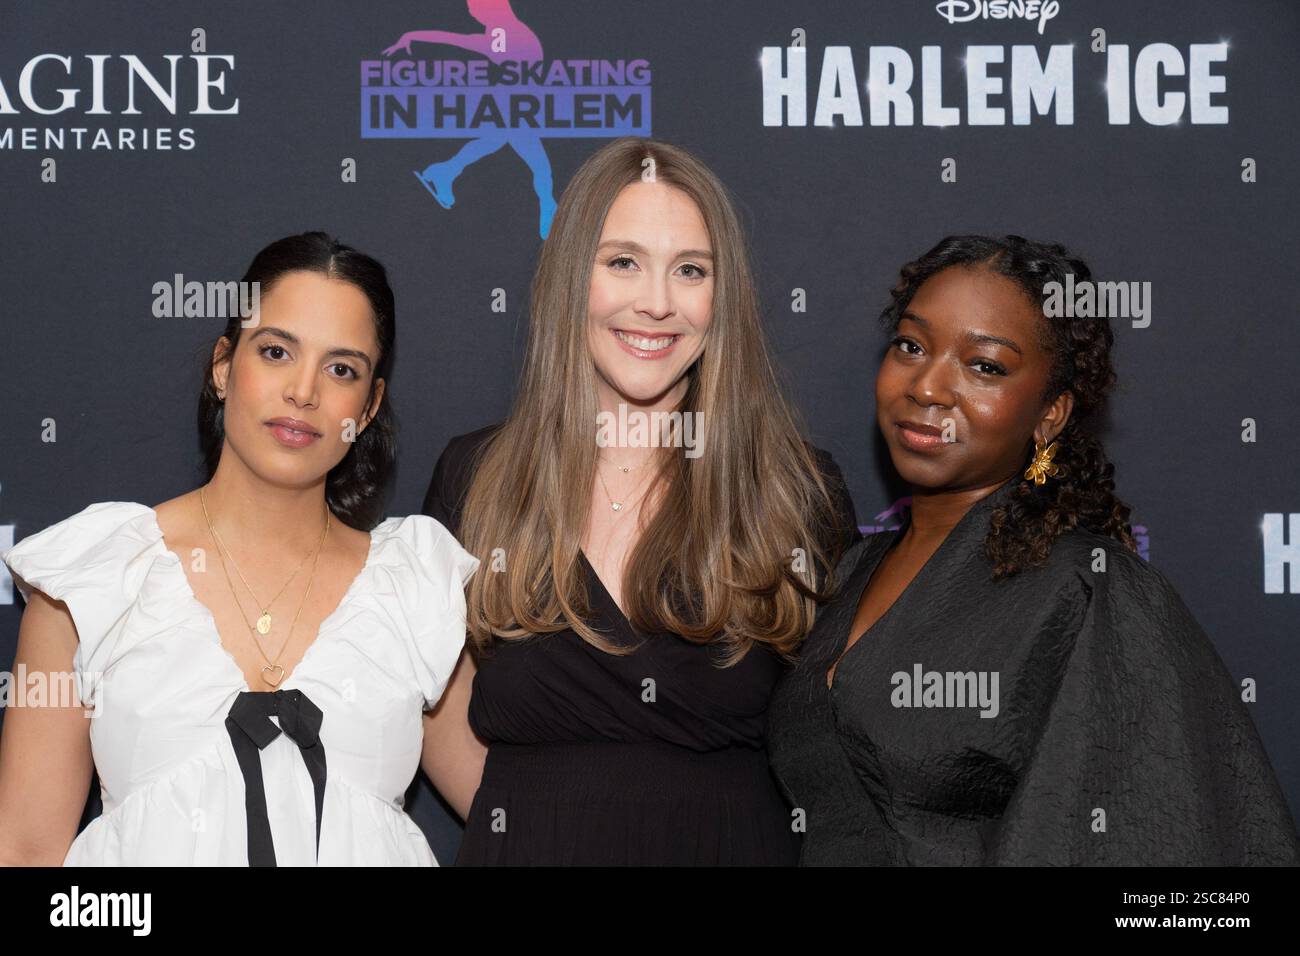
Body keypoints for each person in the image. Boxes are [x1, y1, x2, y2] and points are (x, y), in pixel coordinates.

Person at [767, 234, 1300, 865]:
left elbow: (1164, 846)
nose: (928, 387)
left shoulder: (1090, 591)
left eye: (984, 366)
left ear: (1050, 413)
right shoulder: (850, 572)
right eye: (911, 346)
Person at [420, 137, 858, 865]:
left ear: (724, 298)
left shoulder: (794, 487)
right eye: (622, 262)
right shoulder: (477, 475)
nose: (656, 303)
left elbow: (832, 740)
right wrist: (534, 824)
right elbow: (438, 701)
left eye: (690, 271)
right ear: (571, 279)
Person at [0, 232, 479, 866]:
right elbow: (26, 851)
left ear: (366, 408)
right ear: (225, 367)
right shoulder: (97, 580)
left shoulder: (413, 591)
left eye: (342, 369)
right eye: (277, 351)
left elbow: (518, 808)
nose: (303, 392)